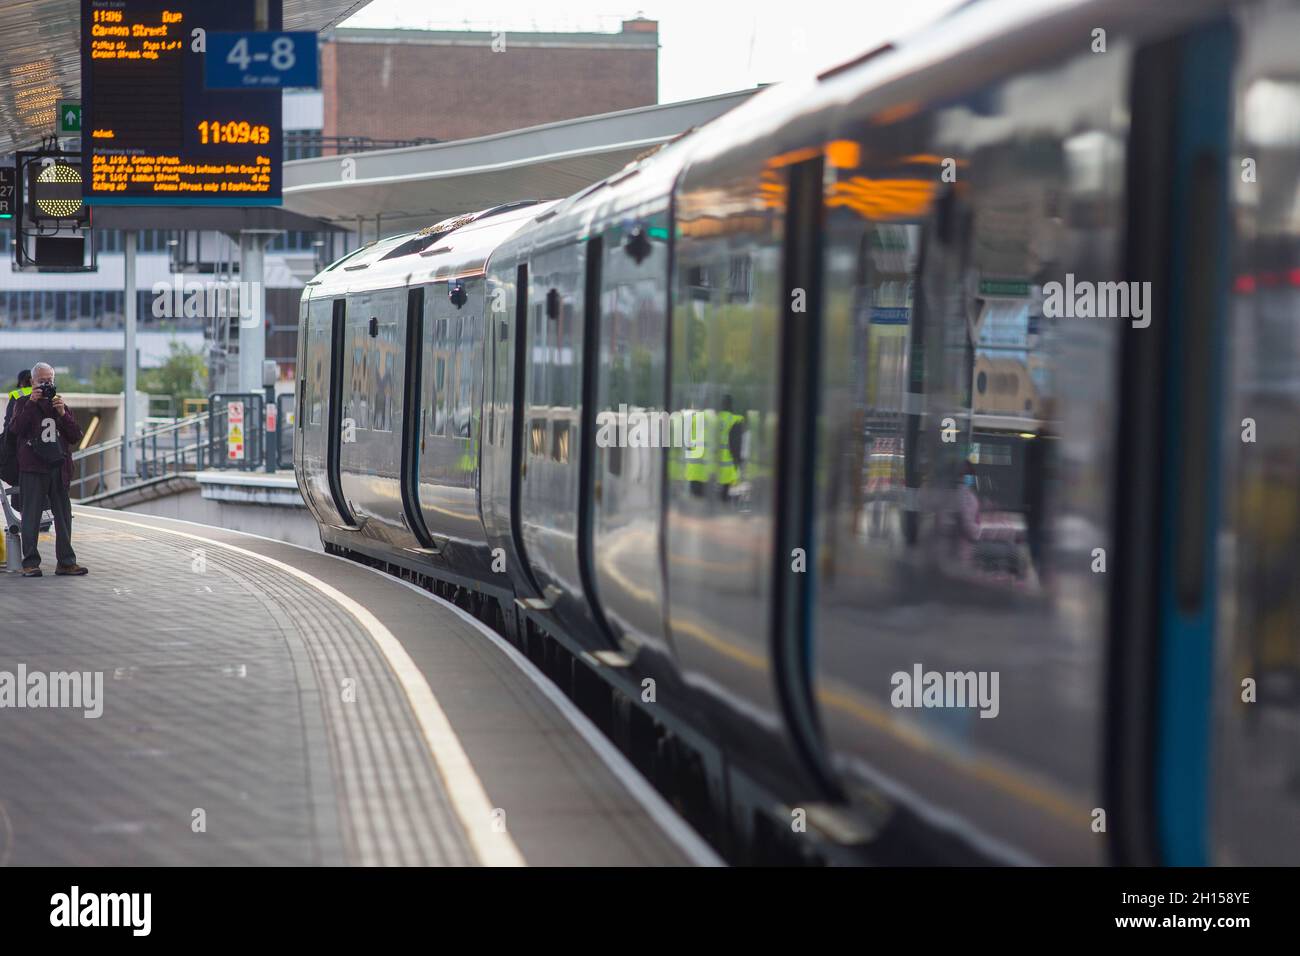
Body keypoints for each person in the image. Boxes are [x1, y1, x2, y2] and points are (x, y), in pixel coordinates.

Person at [13, 363, 87, 577]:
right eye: (42, 381)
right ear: (32, 382)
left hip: (58, 467)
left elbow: (75, 435)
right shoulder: (23, 403)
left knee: (63, 516)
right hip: (33, 468)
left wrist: (63, 413)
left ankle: (65, 562)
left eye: (50, 381)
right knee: (31, 517)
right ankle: (30, 563)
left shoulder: (59, 405)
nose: (46, 385)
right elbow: (16, 429)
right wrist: (31, 403)